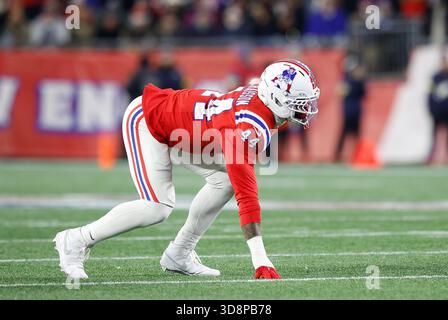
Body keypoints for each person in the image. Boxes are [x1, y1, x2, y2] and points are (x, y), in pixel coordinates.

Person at [53, 59, 320, 280]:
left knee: (225, 181)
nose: (306, 107)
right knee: (157, 207)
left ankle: (179, 253)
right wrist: (261, 260)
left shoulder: (259, 102)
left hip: (188, 133)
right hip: (149, 121)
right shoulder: (249, 127)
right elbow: (247, 197)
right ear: (275, 97)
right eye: (299, 100)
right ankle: (76, 240)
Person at [334, 58, 366, 162]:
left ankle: (357, 155)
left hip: (354, 111)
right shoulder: (348, 80)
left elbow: (364, 94)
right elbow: (342, 92)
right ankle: (338, 155)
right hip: (349, 111)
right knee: (345, 135)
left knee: (354, 135)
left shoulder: (357, 81)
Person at [428, 51, 448, 163]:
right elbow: (430, 94)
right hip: (438, 112)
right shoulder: (435, 77)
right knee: (434, 136)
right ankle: (431, 158)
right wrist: (431, 108)